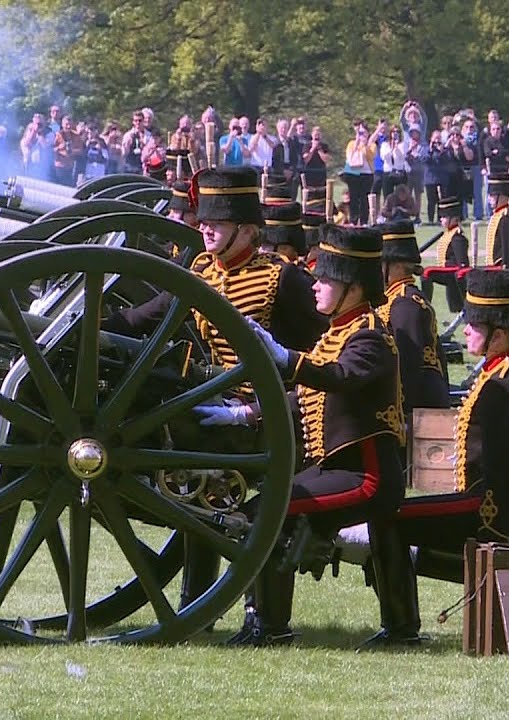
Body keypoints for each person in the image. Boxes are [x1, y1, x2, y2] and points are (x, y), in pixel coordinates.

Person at [103, 166, 327, 611]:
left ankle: (249, 611)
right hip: (222, 411)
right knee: (185, 464)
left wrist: (260, 411)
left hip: (277, 423)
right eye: (204, 220)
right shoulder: (203, 271)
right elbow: (143, 318)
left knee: (191, 458)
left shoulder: (282, 281)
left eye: (216, 223)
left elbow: (324, 362)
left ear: (246, 230)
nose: (204, 228)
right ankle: (196, 603)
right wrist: (89, 326)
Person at [204, 225, 407, 647]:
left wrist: (285, 356)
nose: (316, 285)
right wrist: (242, 414)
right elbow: (305, 395)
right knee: (261, 508)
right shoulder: (338, 333)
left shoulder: (370, 334)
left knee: (270, 512)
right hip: (336, 470)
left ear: (351, 288)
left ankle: (270, 627)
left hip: (367, 478)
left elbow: (339, 377)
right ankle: (263, 621)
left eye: (327, 279)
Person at [394, 266, 509, 549]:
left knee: (390, 520)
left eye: (475, 324)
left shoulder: (501, 388)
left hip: (503, 518)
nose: (466, 329)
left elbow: (501, 473)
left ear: (499, 335)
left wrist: (492, 535)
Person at [378, 220, 450, 415]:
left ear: (397, 265)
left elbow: (407, 366)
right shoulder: (398, 298)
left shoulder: (405, 304)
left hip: (419, 406)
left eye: (381, 262)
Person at [421, 196, 470, 314]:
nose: (441, 220)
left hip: (454, 270)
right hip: (448, 270)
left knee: (427, 272)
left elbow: (462, 263)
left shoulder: (457, 236)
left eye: (444, 217)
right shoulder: (449, 233)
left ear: (453, 218)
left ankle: (425, 307)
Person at [483, 172, 509, 266]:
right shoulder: (497, 216)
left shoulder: (505, 218)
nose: (489, 199)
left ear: (502, 196)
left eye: (492, 195)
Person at [344, 120, 377, 224]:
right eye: (360, 133)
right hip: (353, 174)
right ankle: (353, 220)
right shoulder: (351, 143)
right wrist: (357, 142)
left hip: (367, 174)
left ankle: (364, 221)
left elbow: (371, 156)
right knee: (353, 198)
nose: (361, 135)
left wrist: (365, 145)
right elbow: (349, 158)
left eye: (363, 133)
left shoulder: (372, 145)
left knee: (364, 198)